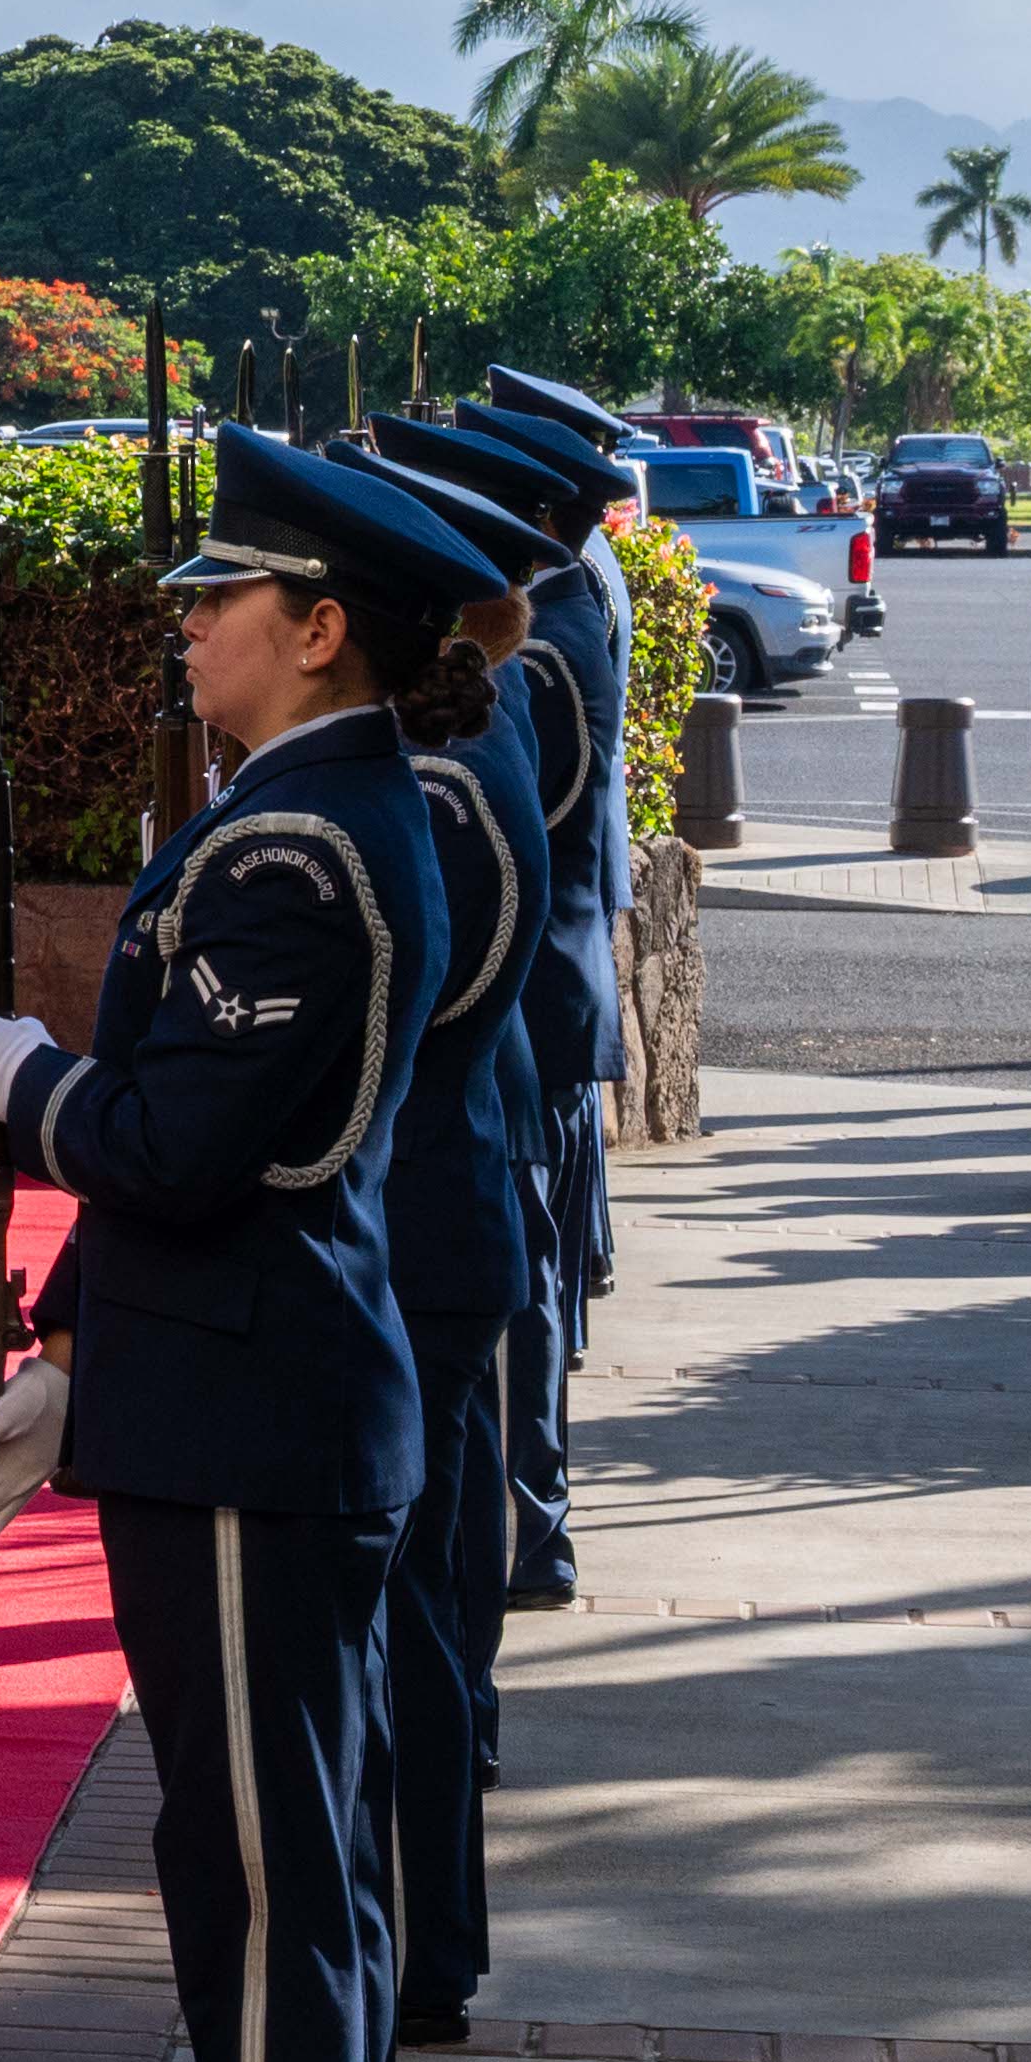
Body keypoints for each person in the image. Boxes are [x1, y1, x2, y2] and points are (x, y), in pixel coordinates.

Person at [0, 426, 486, 2062]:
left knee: (267, 1888)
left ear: (318, 631)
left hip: (253, 1419)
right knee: (264, 1876)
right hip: (226, 1386)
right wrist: (75, 1337)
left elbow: (185, 1143)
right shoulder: (304, 813)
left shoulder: (297, 846)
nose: (181, 629)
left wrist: (20, 1079)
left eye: (213, 598)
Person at [346, 435, 562, 2041]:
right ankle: (424, 1930)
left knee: (411, 1614)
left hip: (411, 1221)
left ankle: (421, 1938)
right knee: (428, 1598)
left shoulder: (425, 782)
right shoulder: (465, 750)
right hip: (445, 1205)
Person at [445, 395, 634, 1618]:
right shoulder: (552, 621)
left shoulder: (537, 653)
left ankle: (528, 1531)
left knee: (525, 1306)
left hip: (532, 1008)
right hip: (543, 998)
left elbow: (511, 851)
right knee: (536, 1288)